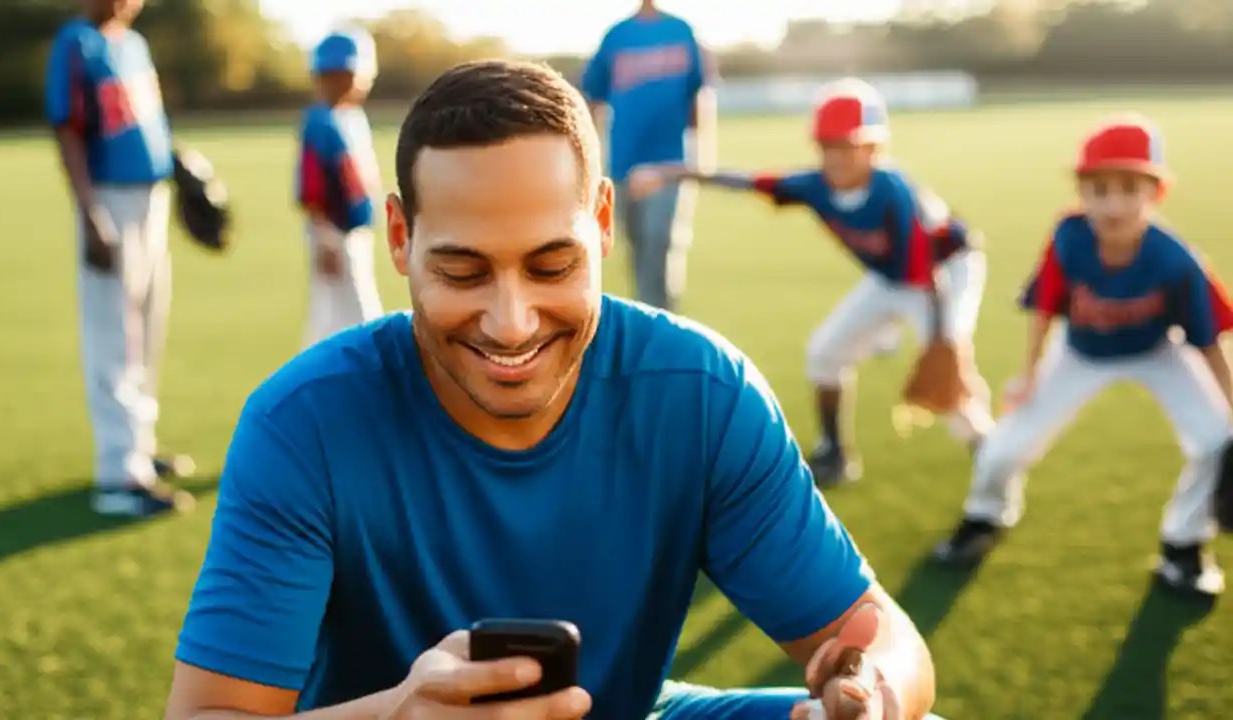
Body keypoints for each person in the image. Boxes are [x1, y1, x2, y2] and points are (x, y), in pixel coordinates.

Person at [165, 60, 939, 720]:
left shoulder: (701, 394)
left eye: (551, 266)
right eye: (462, 271)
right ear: (399, 238)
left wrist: (870, 689)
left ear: (602, 221)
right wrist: (395, 713)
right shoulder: (305, 423)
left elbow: (879, 637)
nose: (510, 322)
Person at [628, 78, 995, 486]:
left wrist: (946, 342)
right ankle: (834, 453)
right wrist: (671, 172)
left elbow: (926, 275)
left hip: (947, 274)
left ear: (874, 148)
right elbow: (745, 181)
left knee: (949, 376)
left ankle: (989, 453)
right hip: (892, 275)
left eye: (848, 146)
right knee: (824, 352)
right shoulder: (815, 186)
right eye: (828, 146)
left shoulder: (895, 192)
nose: (837, 157)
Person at [934, 115, 1233, 599]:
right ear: (1081, 193)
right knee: (1006, 444)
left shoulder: (1177, 260)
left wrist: (1231, 407)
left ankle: (1183, 545)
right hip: (1080, 352)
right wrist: (1028, 375)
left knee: (1216, 439)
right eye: (1098, 189)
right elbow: (1047, 306)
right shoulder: (1069, 236)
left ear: (1155, 194)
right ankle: (986, 515)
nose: (1112, 203)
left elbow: (1208, 340)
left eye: (1128, 188)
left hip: (1156, 350)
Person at [45, 0, 193, 517]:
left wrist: (180, 169)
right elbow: (67, 129)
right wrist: (89, 212)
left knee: (148, 327)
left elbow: (145, 122)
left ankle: (140, 449)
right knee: (113, 334)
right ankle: (117, 477)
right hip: (107, 197)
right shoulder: (76, 44)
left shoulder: (134, 45)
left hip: (151, 196)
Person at [581, 0, 716, 312]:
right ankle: (645, 326)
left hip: (669, 165)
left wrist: (699, 157)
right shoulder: (617, 36)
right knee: (637, 251)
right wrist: (588, 159)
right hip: (625, 163)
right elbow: (594, 100)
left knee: (660, 250)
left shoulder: (681, 32)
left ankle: (662, 331)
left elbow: (699, 97)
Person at [296, 28, 385, 348]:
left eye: (348, 74)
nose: (343, 83)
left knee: (350, 307)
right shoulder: (320, 121)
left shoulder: (352, 117)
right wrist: (323, 235)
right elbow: (311, 186)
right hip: (333, 231)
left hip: (355, 230)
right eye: (332, 75)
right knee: (344, 310)